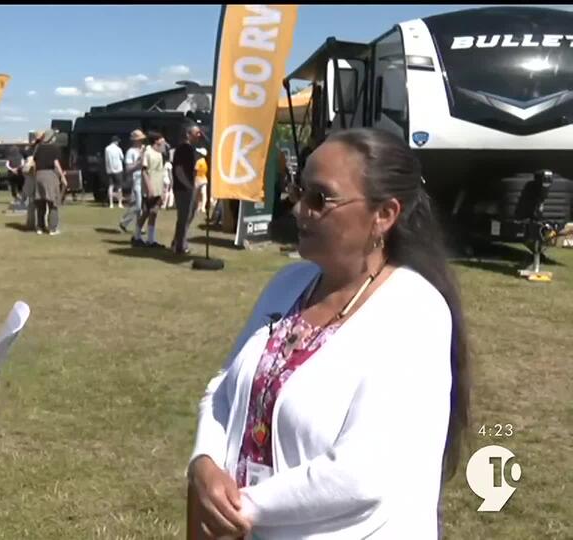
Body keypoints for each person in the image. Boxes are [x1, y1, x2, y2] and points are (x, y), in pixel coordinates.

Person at [186, 127, 470, 540]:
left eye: (320, 199)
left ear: (384, 215)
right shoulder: (288, 284)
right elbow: (224, 388)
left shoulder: (414, 311)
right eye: (300, 191)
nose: (299, 209)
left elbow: (363, 472)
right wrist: (204, 463)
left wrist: (237, 507)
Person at [131, 131, 167, 248]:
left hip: (158, 187)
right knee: (146, 212)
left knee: (154, 212)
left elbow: (161, 172)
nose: (164, 142)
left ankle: (151, 240)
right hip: (149, 188)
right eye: (162, 139)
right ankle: (136, 236)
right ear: (156, 140)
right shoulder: (148, 152)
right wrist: (149, 187)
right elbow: (144, 171)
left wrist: (163, 190)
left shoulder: (160, 154)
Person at [172, 125, 204, 254]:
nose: (199, 135)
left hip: (189, 187)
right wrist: (188, 185)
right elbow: (179, 170)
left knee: (189, 215)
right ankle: (180, 245)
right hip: (182, 188)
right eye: (197, 133)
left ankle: (177, 241)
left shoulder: (191, 149)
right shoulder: (183, 149)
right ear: (188, 134)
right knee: (184, 217)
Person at [32, 129, 66, 235]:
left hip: (38, 175)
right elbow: (56, 163)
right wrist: (62, 177)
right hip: (50, 175)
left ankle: (40, 227)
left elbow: (34, 163)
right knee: (53, 203)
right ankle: (52, 228)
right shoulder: (54, 148)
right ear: (51, 138)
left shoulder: (38, 148)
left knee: (40, 203)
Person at [119, 129, 147, 234]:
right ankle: (137, 226)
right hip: (136, 179)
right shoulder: (130, 152)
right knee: (138, 205)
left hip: (145, 179)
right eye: (139, 139)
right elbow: (128, 168)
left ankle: (127, 223)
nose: (141, 141)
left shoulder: (144, 150)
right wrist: (138, 163)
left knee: (139, 204)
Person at [104, 135, 125, 209]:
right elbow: (122, 157)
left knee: (111, 186)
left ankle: (111, 204)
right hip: (118, 169)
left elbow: (106, 159)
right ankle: (120, 203)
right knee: (119, 187)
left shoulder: (107, 149)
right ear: (116, 141)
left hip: (109, 170)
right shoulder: (118, 149)